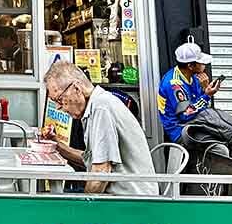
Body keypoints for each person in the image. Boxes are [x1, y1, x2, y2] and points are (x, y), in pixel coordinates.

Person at [44, 61, 158, 196]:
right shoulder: (95, 105)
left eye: (59, 99)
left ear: (76, 88)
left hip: (130, 200)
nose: (58, 107)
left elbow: (100, 173)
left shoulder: (101, 108)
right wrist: (57, 145)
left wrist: (83, 209)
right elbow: (92, 160)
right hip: (121, 196)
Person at [157, 41, 221, 146]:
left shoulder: (194, 77)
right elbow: (186, 114)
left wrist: (205, 88)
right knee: (219, 148)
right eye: (201, 62)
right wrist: (207, 95)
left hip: (196, 122)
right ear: (190, 65)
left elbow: (203, 107)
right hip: (179, 130)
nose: (204, 65)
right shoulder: (174, 85)